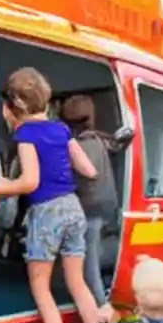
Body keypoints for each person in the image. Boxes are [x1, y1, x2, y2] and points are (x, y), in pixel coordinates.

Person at [0, 67, 110, 323]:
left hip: (46, 212)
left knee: (39, 283)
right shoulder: (61, 130)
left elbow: (29, 181)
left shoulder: (25, 134)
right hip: (73, 207)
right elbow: (89, 170)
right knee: (77, 280)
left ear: (13, 107)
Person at [61, 94, 134, 305]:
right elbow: (121, 142)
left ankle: (100, 308)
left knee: (88, 265)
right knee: (93, 254)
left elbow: (83, 173)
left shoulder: (75, 146)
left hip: (89, 207)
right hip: (108, 203)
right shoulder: (99, 140)